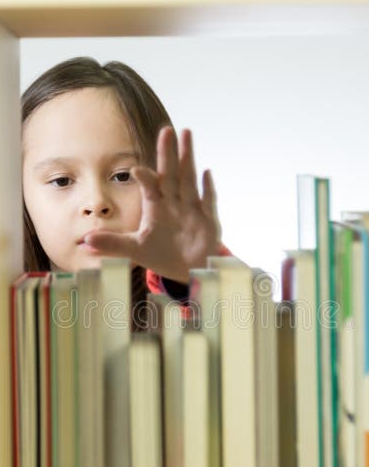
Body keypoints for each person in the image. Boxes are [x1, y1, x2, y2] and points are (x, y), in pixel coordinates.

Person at [20, 56, 232, 329]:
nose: (96, 202)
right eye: (62, 181)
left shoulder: (197, 282)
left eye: (122, 176)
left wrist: (188, 277)